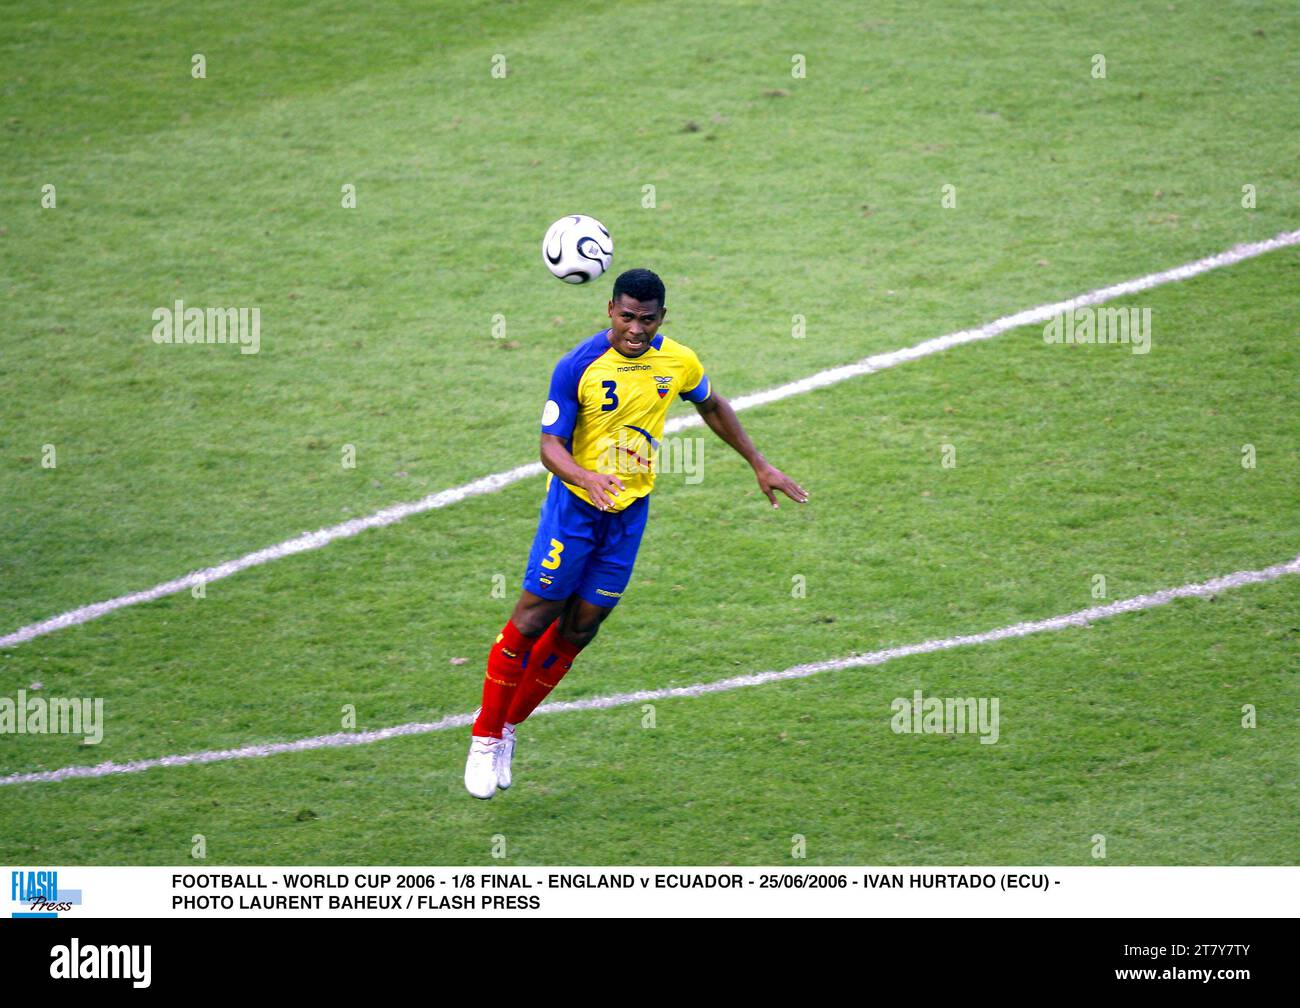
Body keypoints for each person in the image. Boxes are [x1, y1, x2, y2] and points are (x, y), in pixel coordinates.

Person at [464, 268, 808, 798]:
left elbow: (712, 404)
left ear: (661, 318)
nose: (636, 329)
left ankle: (508, 728)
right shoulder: (576, 366)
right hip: (574, 509)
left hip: (629, 513)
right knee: (534, 617)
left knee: (581, 627)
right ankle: (485, 737)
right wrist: (584, 476)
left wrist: (759, 464)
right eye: (627, 316)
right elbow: (549, 447)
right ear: (609, 310)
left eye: (647, 319)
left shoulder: (679, 361)